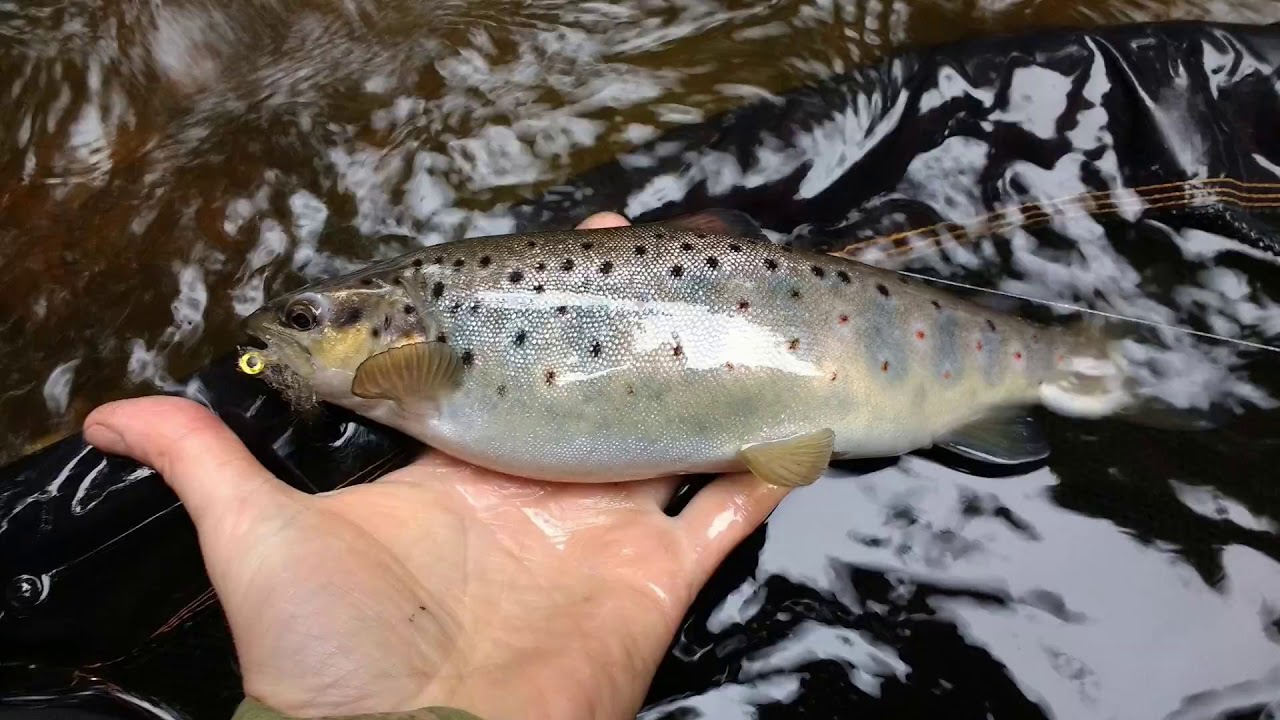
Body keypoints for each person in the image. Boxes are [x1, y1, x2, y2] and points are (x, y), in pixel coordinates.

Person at [82, 212, 799, 720]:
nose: (282, 338)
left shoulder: (408, 360)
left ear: (398, 327)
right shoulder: (406, 359)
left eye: (302, 322)